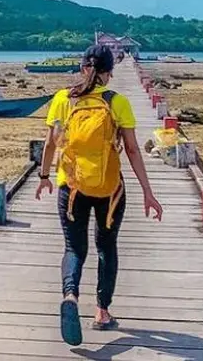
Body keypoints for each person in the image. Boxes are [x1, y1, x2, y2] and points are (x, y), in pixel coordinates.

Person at [35, 43, 163, 346]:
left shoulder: (62, 99)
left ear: (82, 68)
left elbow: (50, 143)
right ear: (109, 72)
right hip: (110, 190)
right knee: (107, 248)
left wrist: (44, 177)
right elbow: (131, 149)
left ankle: (70, 295)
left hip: (72, 187)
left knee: (74, 249)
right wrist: (148, 191)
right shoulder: (117, 102)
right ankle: (102, 312)